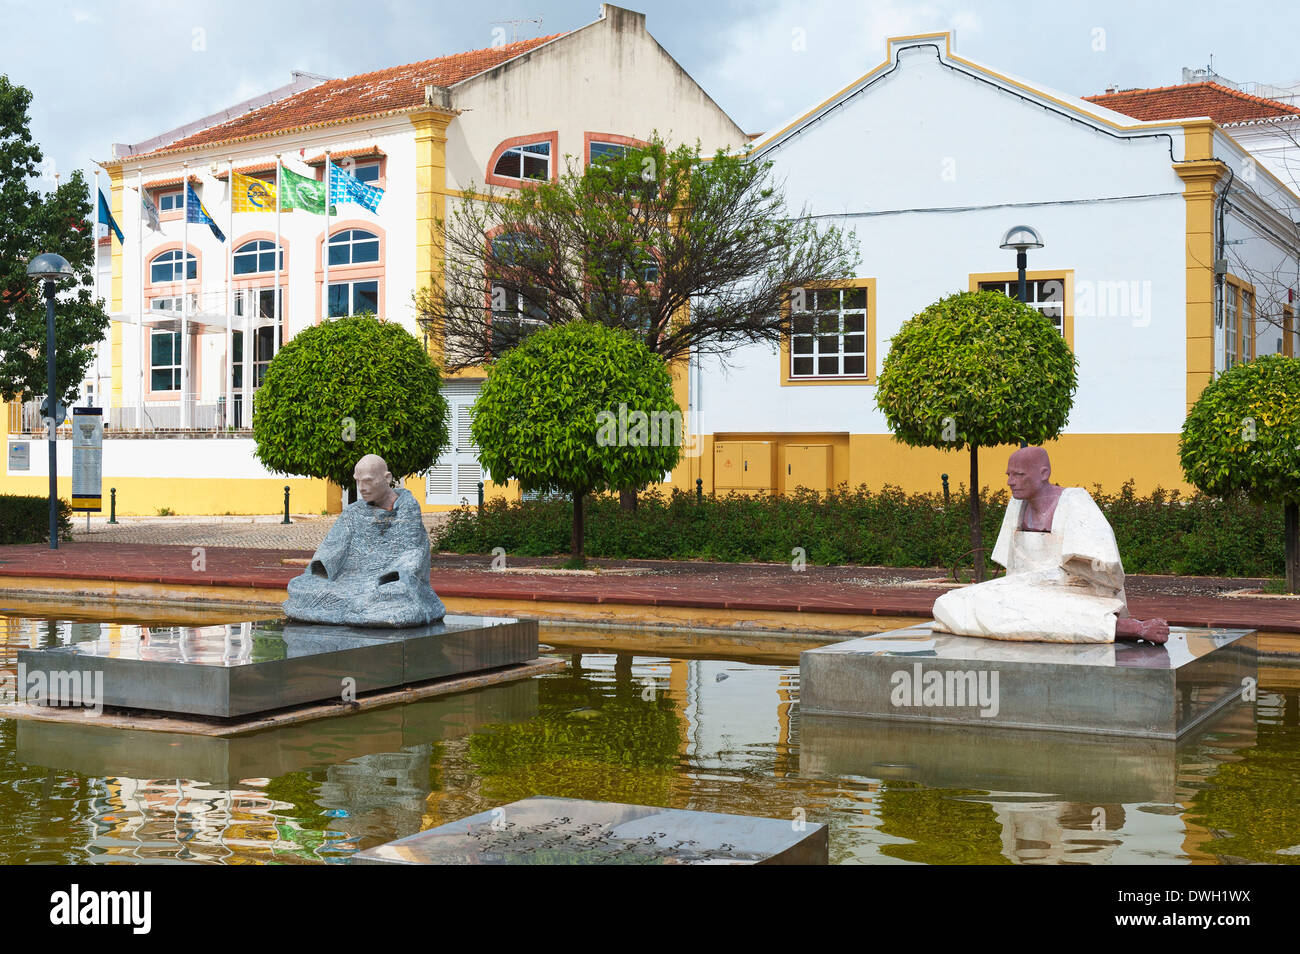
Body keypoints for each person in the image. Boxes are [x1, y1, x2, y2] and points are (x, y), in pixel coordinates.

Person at [931, 446, 1169, 644]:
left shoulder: (1075, 500)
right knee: (949, 604)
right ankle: (1101, 626)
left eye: (1019, 475)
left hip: (1072, 590)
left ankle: (1127, 628)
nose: (1010, 482)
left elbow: (1105, 576)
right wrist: (1017, 591)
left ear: (1043, 473)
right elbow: (1013, 573)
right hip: (1025, 590)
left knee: (1053, 609)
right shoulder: (1017, 505)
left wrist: (1045, 584)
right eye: (1008, 475)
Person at [283, 454, 446, 627]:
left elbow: (413, 553)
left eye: (367, 481)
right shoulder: (353, 513)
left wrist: (388, 579)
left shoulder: (407, 509)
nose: (362, 488)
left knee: (395, 594)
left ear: (387, 478)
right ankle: (357, 607)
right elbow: (330, 551)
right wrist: (319, 575)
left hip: (389, 581)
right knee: (300, 587)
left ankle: (367, 604)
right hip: (347, 582)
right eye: (358, 481)